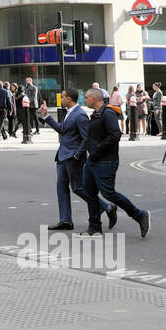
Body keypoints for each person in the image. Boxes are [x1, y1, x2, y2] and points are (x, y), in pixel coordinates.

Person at [40, 90, 116, 234]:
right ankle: (65, 220)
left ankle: (107, 207)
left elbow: (86, 137)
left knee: (78, 188)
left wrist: (77, 155)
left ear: (68, 99)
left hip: (72, 157)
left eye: (62, 97)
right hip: (62, 156)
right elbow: (62, 129)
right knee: (61, 187)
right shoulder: (70, 112)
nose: (61, 99)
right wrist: (46, 116)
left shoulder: (80, 115)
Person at [79, 88, 150, 238]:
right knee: (89, 192)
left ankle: (140, 215)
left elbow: (115, 134)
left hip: (106, 161)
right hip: (92, 160)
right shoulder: (96, 114)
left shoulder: (108, 113)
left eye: (86, 97)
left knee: (108, 193)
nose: (85, 100)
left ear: (94, 98)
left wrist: (98, 149)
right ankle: (94, 227)